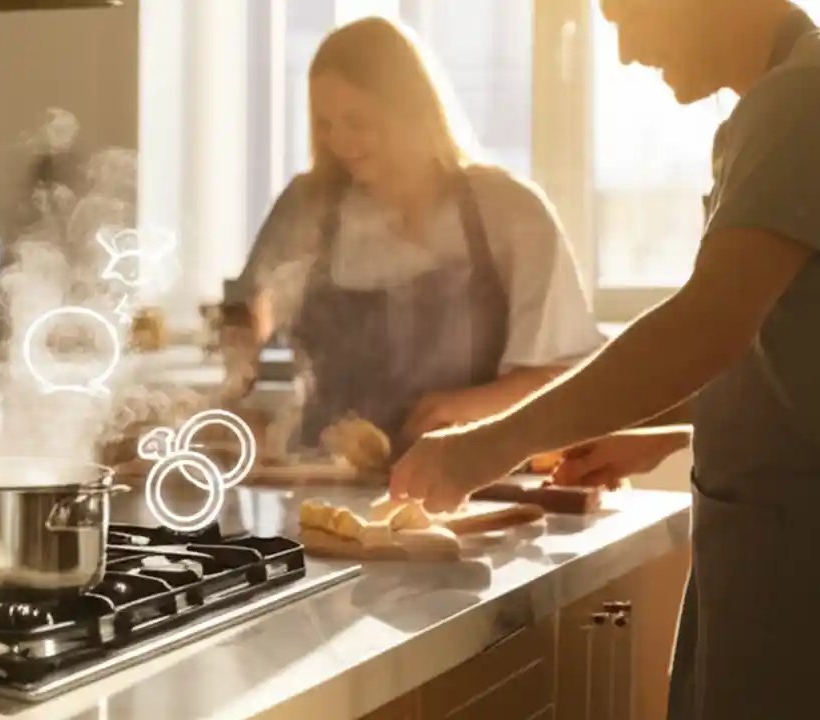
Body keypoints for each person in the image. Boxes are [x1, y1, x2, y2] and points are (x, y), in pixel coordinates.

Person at [390, 1, 820, 717]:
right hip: (816, 541)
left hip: (818, 553)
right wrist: (662, 433)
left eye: (626, 17)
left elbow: (706, 325)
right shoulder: (817, 84)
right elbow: (793, 349)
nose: (626, 52)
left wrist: (493, 443)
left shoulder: (806, 99)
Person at [226, 17, 603, 457]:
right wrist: (241, 395)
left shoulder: (509, 211)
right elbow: (242, 311)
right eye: (326, 124)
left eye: (357, 121)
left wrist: (468, 408)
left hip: (466, 471)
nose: (340, 141)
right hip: (321, 471)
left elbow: (563, 376)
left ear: (411, 110)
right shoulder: (308, 204)